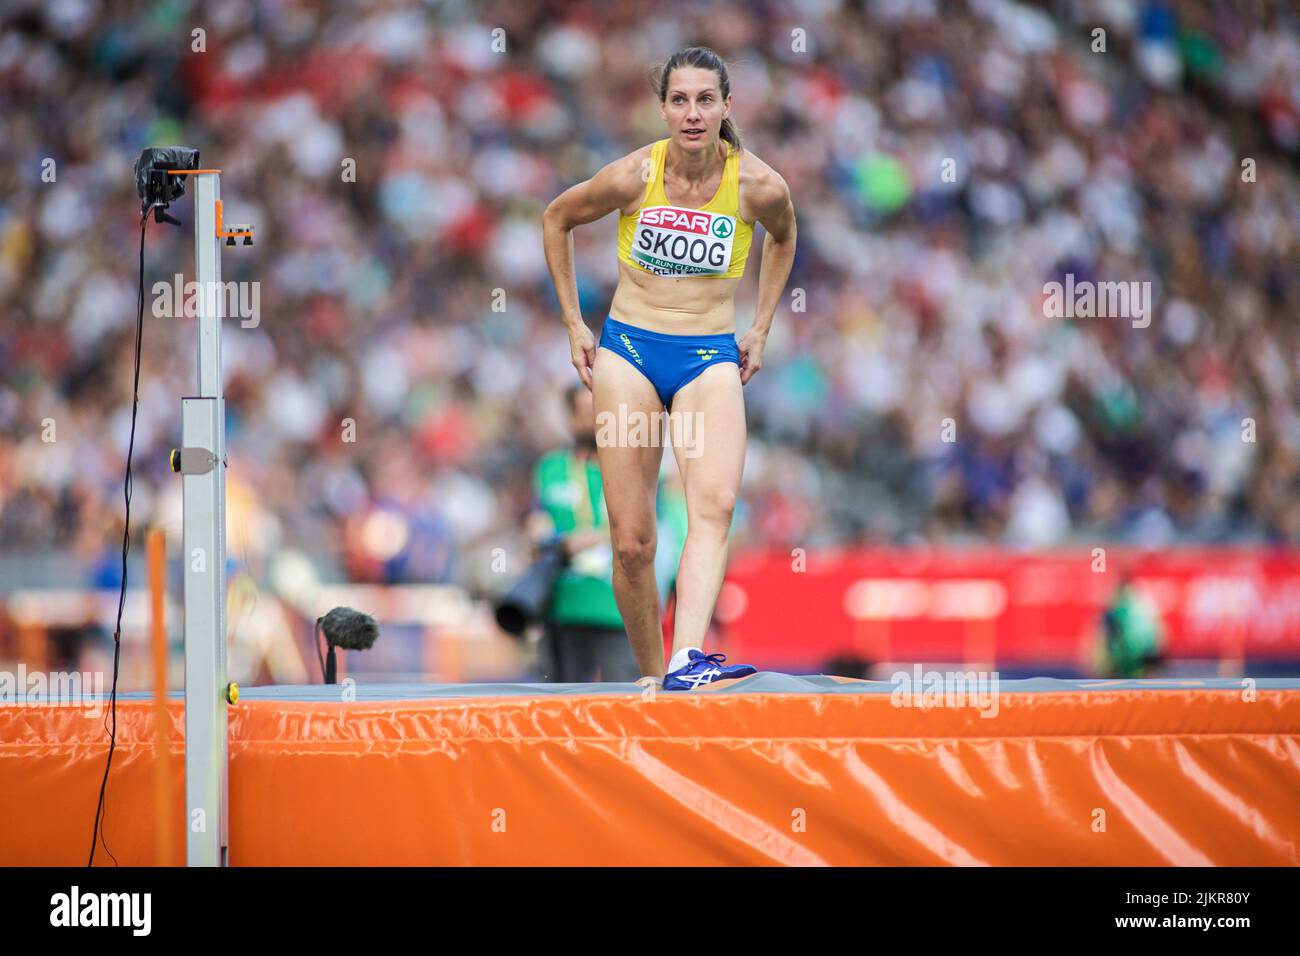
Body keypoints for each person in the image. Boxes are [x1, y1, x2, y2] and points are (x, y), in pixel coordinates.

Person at [542, 46, 797, 689]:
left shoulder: (759, 185)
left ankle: (687, 659)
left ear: (726, 107)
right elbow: (557, 219)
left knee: (713, 507)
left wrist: (761, 325)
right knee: (630, 542)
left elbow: (784, 235)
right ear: (662, 109)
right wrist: (574, 321)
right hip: (628, 352)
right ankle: (653, 674)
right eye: (679, 100)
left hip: (708, 356)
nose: (692, 113)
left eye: (705, 100)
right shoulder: (634, 175)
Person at [529, 384, 640, 683]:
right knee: (563, 705)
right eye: (585, 412)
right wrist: (540, 535)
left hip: (619, 609)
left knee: (623, 703)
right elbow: (537, 522)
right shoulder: (551, 468)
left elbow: (648, 528)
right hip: (563, 608)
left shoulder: (632, 464)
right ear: (570, 417)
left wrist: (593, 538)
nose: (594, 419)